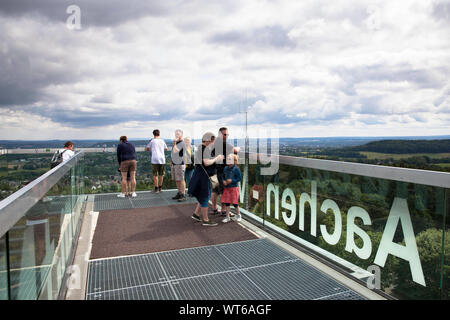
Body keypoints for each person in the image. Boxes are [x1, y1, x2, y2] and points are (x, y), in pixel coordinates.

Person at [188, 132, 224, 226]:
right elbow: (207, 162)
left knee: (203, 195)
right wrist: (217, 158)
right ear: (208, 140)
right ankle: (205, 219)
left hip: (200, 175)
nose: (213, 143)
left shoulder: (200, 148)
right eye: (213, 141)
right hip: (204, 177)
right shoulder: (204, 150)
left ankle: (196, 214)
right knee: (205, 196)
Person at [210, 127, 240, 216]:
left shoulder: (214, 144)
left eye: (227, 134)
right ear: (220, 134)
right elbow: (234, 150)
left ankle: (215, 209)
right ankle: (223, 211)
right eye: (224, 134)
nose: (226, 136)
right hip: (223, 171)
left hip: (215, 169)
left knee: (215, 191)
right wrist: (238, 148)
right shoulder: (224, 144)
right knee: (224, 191)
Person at [221, 154, 242, 223]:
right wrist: (223, 181)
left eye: (230, 159)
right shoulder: (225, 168)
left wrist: (232, 180)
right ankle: (227, 217)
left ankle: (238, 215)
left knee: (235, 203)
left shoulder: (236, 169)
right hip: (227, 188)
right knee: (227, 203)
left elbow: (239, 178)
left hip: (233, 188)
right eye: (227, 159)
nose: (228, 160)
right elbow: (223, 176)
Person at [171, 129, 187, 202]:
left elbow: (175, 150)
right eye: (176, 134)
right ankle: (179, 192)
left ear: (181, 135)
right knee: (177, 179)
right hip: (175, 163)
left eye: (178, 134)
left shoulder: (182, 143)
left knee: (181, 179)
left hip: (180, 164)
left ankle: (183, 194)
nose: (176, 135)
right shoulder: (177, 143)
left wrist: (174, 143)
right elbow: (173, 153)